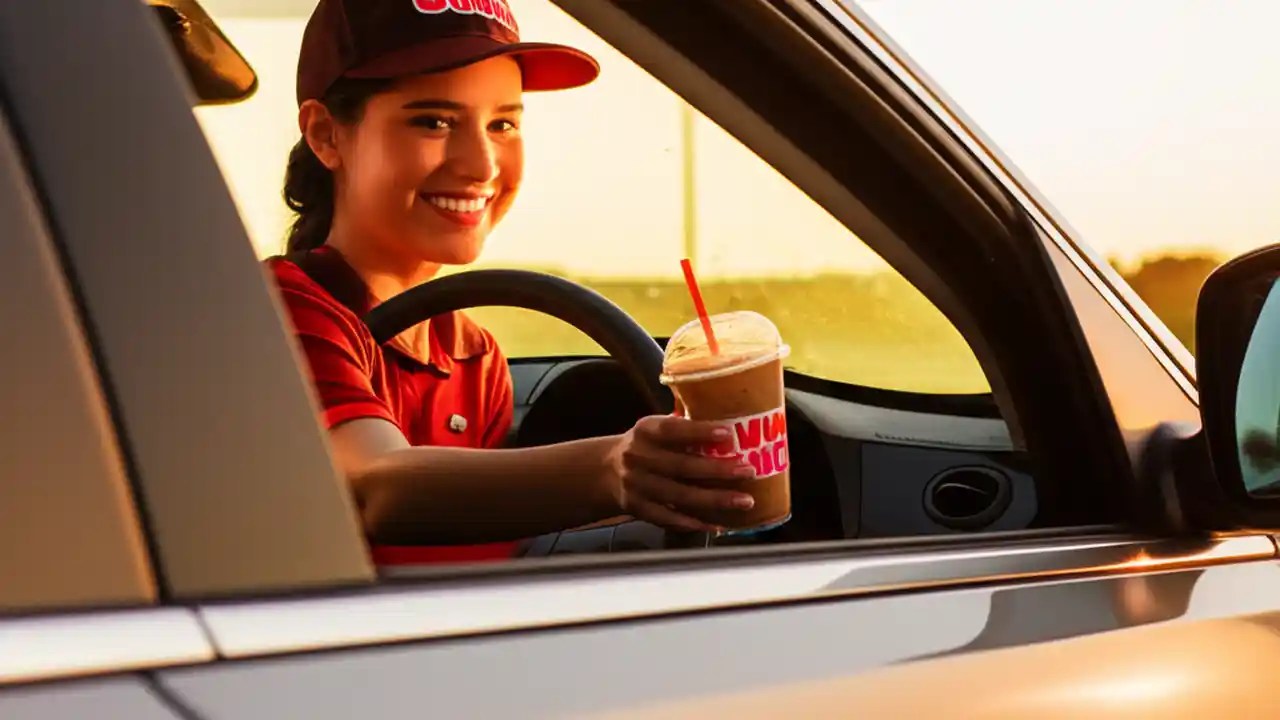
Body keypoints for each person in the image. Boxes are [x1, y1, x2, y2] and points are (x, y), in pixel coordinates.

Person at [267, 0, 755, 565]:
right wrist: (611, 470)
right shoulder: (284, 312)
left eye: (503, 124)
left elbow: (481, 554)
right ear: (327, 135)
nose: (481, 164)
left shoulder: (475, 355)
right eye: (433, 121)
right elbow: (378, 487)